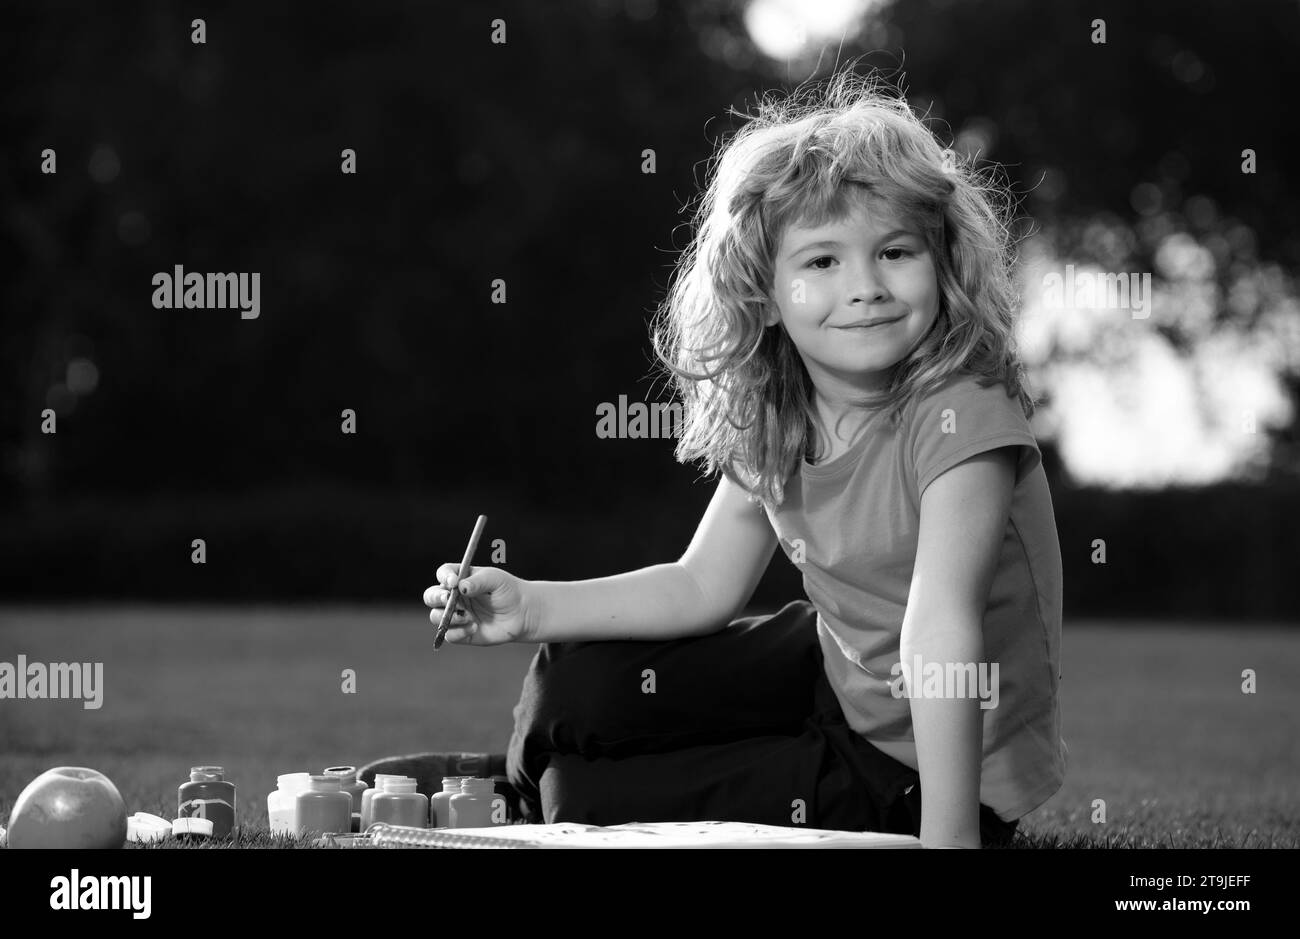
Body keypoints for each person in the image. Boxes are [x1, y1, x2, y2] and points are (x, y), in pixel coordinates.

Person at [387, 67, 1067, 849]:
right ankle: (517, 783)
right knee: (566, 679)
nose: (866, 287)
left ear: (942, 265)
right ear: (764, 292)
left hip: (922, 763)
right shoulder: (783, 410)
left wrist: (949, 837)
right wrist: (530, 605)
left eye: (895, 251)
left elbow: (940, 626)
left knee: (587, 797)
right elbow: (702, 583)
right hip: (833, 668)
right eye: (822, 262)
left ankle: (533, 795)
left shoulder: (964, 410)